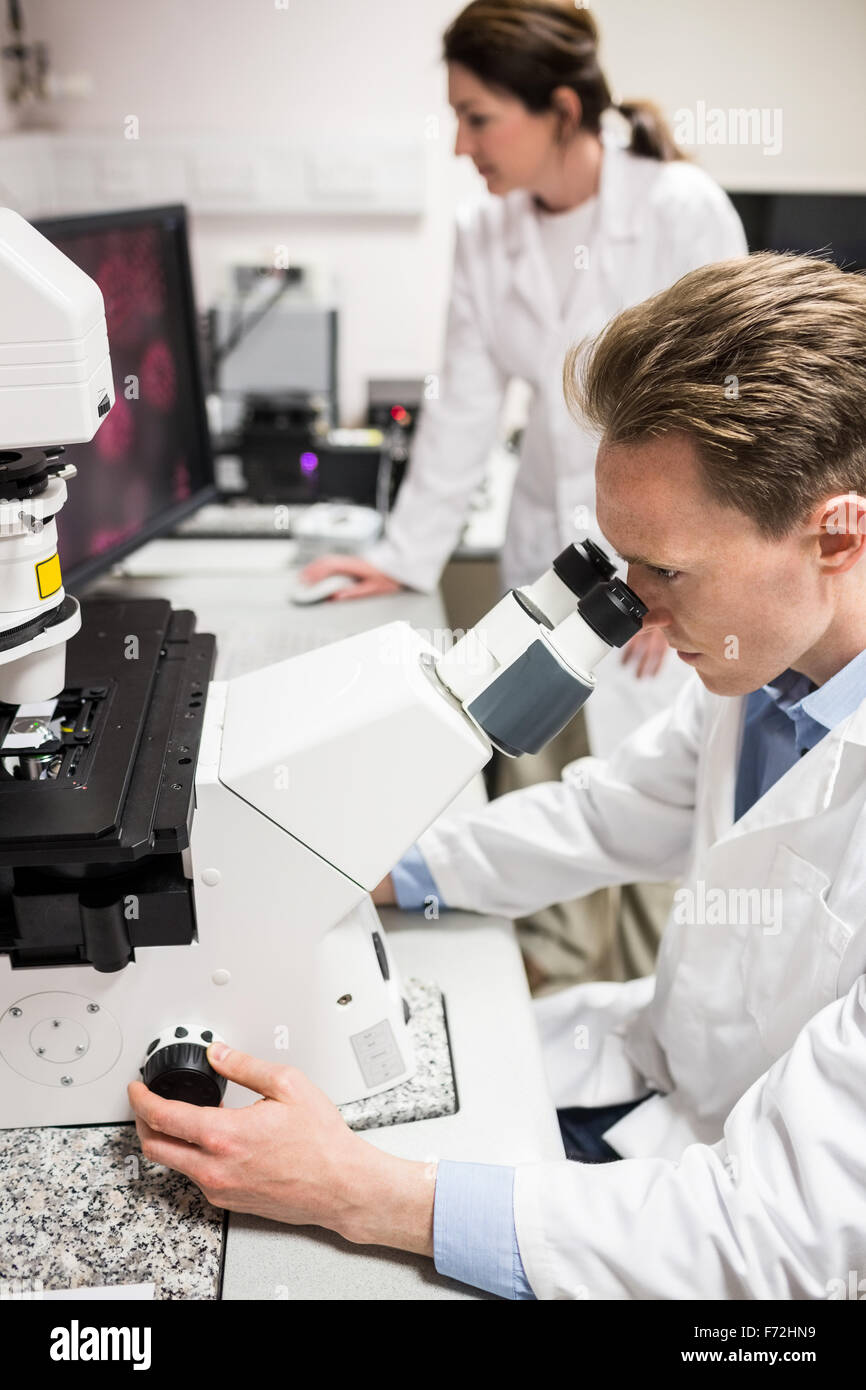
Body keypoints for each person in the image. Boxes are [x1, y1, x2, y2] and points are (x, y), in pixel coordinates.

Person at [131, 251, 866, 1299]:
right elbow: (608, 812)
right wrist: (357, 857)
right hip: (659, 1090)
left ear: (835, 533)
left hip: (737, 1242)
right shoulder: (773, 671)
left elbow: (768, 1234)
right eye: (620, 565)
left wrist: (356, 1190)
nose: (634, 614)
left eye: (665, 571)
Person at [302, 0, 748, 993]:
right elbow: (461, 404)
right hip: (550, 570)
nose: (461, 146)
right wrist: (403, 556)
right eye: (455, 119)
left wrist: (666, 583)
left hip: (661, 581)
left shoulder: (678, 207)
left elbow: (728, 417)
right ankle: (540, 1002)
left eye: (478, 118)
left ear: (558, 108)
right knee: (536, 793)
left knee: (653, 829)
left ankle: (646, 1028)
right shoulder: (486, 231)